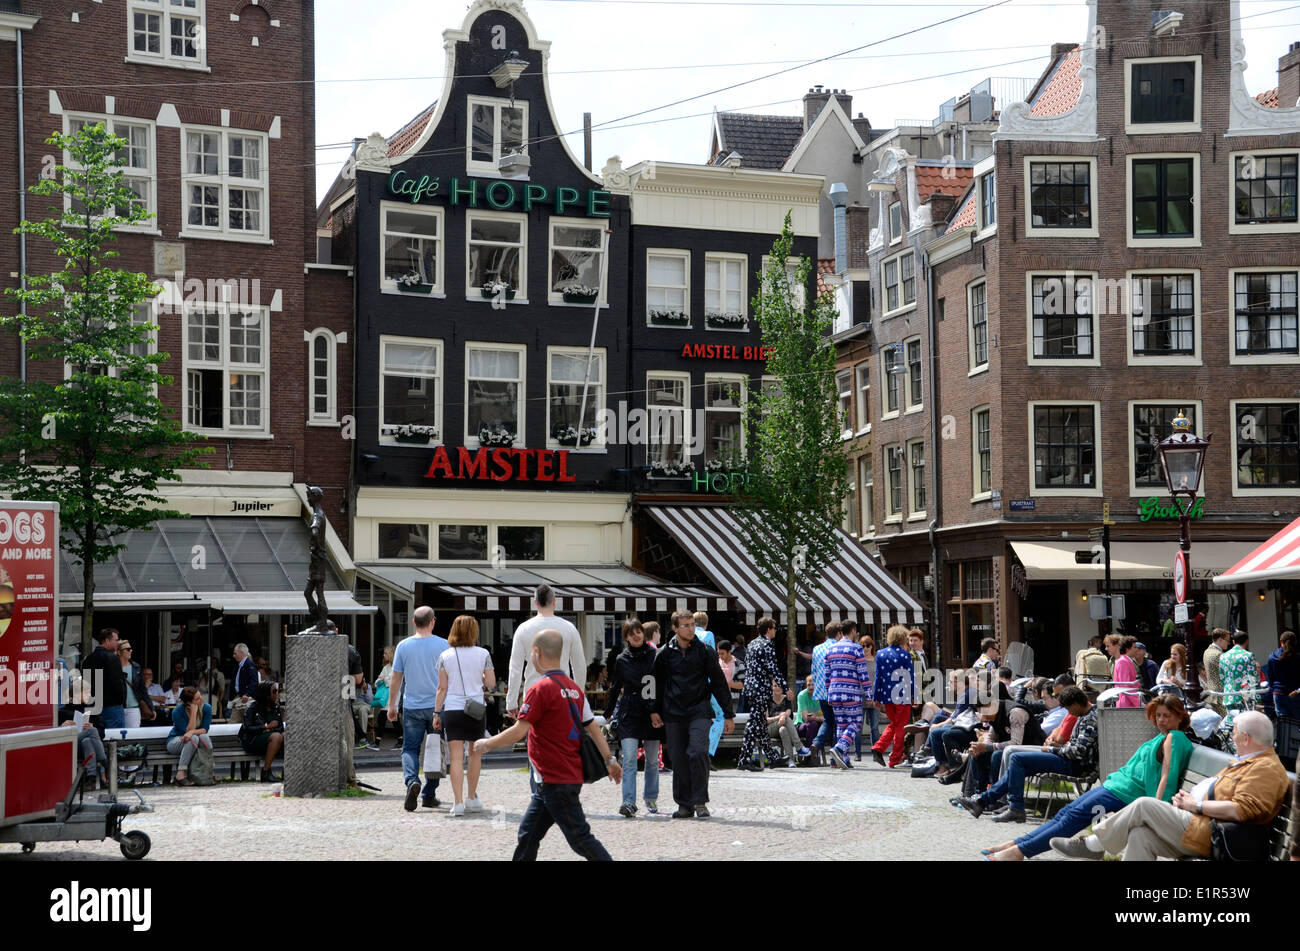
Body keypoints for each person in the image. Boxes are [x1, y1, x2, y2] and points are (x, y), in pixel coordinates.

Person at [1051, 711, 1290, 861]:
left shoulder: (1266, 769)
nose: (1233, 740)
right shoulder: (1251, 762)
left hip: (1214, 834)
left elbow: (1242, 810)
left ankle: (1094, 845)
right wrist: (1189, 800)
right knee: (1140, 835)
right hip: (1199, 823)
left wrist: (1195, 804)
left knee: (1144, 805)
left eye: (1235, 735)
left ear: (1246, 738)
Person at [982, 694, 1194, 861]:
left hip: (1125, 792)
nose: (1161, 720)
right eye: (1158, 715)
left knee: (1072, 818)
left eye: (1167, 715)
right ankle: (1017, 844)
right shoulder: (1164, 736)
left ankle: (1020, 851)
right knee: (1067, 813)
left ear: (1179, 716)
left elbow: (1168, 774)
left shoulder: (1174, 737)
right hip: (1117, 787)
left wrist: (1156, 806)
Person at [475, 629, 621, 861]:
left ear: (535, 654)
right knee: (528, 834)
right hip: (556, 780)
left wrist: (487, 744)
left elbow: (519, 731)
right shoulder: (574, 688)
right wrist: (610, 760)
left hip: (557, 779)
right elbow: (592, 726)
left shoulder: (539, 688)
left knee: (581, 839)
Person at [957, 686, 1097, 823]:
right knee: (1019, 764)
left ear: (1076, 704)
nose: (1069, 712)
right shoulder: (1084, 715)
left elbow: (1078, 752)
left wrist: (1054, 750)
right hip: (1065, 757)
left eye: (1068, 708)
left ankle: (1014, 807)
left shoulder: (1090, 719)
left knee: (1017, 758)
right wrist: (1057, 747)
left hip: (1075, 765)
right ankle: (983, 801)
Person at [649, 610, 734, 816]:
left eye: (692, 624)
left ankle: (700, 802)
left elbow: (719, 683)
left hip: (699, 711)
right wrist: (653, 710)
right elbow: (654, 684)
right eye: (685, 625)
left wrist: (728, 713)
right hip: (673, 712)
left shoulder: (705, 651)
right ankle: (684, 804)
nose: (690, 629)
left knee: (697, 752)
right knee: (678, 759)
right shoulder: (664, 654)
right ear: (675, 628)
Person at [387, 605, 450, 811]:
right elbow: (449, 677)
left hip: (412, 706)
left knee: (410, 748)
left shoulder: (403, 646)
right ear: (433, 621)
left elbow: (396, 679)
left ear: (413, 622)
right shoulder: (443, 645)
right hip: (436, 707)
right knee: (435, 751)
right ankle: (429, 794)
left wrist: (392, 705)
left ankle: (412, 780)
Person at [433, 615, 495, 816]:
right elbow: (491, 684)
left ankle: (457, 803)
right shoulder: (483, 654)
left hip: (452, 708)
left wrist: (436, 712)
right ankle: (471, 797)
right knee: (476, 754)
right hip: (476, 708)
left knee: (456, 758)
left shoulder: (444, 656)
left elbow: (442, 688)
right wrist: (481, 677)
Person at [605, 619, 662, 817]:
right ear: (626, 637)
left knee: (652, 759)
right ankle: (628, 802)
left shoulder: (655, 656)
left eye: (638, 631)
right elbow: (614, 687)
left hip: (651, 712)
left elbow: (659, 685)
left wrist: (658, 710)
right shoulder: (622, 659)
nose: (636, 635)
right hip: (629, 712)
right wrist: (607, 713)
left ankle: (651, 797)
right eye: (631, 633)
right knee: (629, 758)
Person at [506, 584, 586, 717]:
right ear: (554, 602)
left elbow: (515, 668)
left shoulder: (523, 629)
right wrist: (579, 696)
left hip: (533, 693)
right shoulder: (569, 628)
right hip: (562, 693)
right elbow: (579, 666)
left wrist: (511, 701)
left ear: (535, 603)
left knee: (534, 735)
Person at [737, 616, 786, 771]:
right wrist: (785, 687)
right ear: (768, 629)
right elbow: (773, 668)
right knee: (754, 724)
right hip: (761, 689)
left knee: (760, 723)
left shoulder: (752, 643)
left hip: (750, 687)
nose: (776, 630)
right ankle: (744, 760)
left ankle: (772, 757)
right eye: (774, 628)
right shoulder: (767, 644)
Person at [825, 621, 869, 769]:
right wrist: (869, 695)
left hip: (834, 691)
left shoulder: (830, 649)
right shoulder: (856, 649)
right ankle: (839, 748)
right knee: (856, 723)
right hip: (851, 693)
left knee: (842, 724)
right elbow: (863, 674)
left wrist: (828, 695)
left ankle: (843, 759)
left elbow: (827, 675)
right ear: (853, 630)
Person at [872, 625, 917, 768]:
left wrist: (876, 697)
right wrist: (914, 696)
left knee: (894, 724)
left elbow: (878, 677)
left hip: (886, 695)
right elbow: (910, 678)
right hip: (902, 695)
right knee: (900, 727)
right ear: (903, 638)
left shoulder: (880, 654)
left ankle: (878, 748)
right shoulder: (905, 655)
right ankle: (894, 758)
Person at [692, 611, 726, 763]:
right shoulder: (708, 635)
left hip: (690, 685)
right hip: (707, 685)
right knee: (720, 716)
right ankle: (708, 752)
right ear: (706, 623)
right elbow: (712, 660)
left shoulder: (688, 636)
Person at [60, 680, 108, 786]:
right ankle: (104, 762)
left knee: (88, 740)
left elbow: (102, 733)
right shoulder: (63, 711)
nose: (90, 695)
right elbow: (53, 734)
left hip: (84, 747)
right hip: (70, 747)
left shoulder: (92, 711)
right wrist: (62, 727)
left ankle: (90, 778)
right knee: (92, 731)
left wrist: (93, 726)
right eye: (86, 692)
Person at [239, 681, 285, 782]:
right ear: (266, 694)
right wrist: (266, 727)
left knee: (285, 735)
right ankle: (266, 771)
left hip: (270, 740)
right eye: (274, 691)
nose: (277, 694)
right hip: (253, 740)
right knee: (277, 736)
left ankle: (287, 770)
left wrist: (269, 730)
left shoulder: (276, 707)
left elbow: (280, 727)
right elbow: (247, 728)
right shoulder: (253, 707)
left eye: (277, 691)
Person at [167, 686, 212, 786]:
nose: (201, 700)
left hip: (192, 739)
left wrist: (192, 732)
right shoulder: (177, 712)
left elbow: (204, 729)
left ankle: (207, 772)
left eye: (200, 696)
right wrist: (194, 712)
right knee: (193, 738)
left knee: (204, 737)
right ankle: (180, 774)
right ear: (189, 702)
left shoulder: (207, 708)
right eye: (197, 699)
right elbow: (186, 733)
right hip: (176, 741)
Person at [84, 628, 126, 731]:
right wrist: (121, 700)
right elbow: (117, 682)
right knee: (114, 739)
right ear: (107, 640)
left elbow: (86, 684)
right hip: (112, 707)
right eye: (116, 640)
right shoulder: (112, 658)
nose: (118, 643)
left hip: (93, 708)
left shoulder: (88, 660)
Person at [1220, 630, 1262, 722]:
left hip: (1229, 695)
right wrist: (1258, 699)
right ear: (1247, 641)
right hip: (1244, 697)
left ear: (1233, 642)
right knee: (1246, 726)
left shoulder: (1223, 656)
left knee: (1232, 725)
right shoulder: (1248, 656)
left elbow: (1222, 678)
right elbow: (1252, 679)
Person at [809, 623, 837, 759]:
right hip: (835, 691)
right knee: (838, 722)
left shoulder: (817, 649)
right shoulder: (837, 648)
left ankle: (817, 743)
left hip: (820, 691)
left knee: (828, 720)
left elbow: (813, 672)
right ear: (838, 634)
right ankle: (836, 755)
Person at [766, 681, 808, 766]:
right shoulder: (767, 700)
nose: (778, 687)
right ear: (772, 688)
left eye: (780, 685)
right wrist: (779, 717)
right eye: (775, 686)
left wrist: (783, 716)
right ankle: (799, 747)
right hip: (771, 728)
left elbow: (788, 712)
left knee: (783, 730)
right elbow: (766, 720)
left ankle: (790, 760)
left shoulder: (786, 699)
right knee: (787, 719)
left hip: (783, 726)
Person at [1267, 630, 1300, 720]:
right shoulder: (1297, 658)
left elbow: (1271, 679)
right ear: (1295, 642)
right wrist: (1297, 691)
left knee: (1284, 726)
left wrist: (1274, 691)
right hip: (1295, 694)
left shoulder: (1272, 657)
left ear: (1281, 641)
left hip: (1279, 694)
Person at [119, 640, 152, 728]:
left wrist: (150, 707)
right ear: (119, 652)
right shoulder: (114, 666)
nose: (131, 651)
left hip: (134, 708)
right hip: (118, 708)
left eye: (131, 649)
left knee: (133, 736)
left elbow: (142, 689)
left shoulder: (135, 667)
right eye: (128, 649)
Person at [1202, 627, 1231, 716]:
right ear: (1219, 639)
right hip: (1220, 693)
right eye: (1227, 640)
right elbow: (1228, 673)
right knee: (1225, 721)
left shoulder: (1207, 651)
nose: (1229, 643)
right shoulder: (1218, 655)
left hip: (1212, 691)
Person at [373, 644, 397, 747]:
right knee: (390, 719)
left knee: (384, 718)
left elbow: (391, 682)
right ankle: (400, 740)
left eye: (385, 653)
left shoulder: (396, 667)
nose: (383, 655)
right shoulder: (386, 667)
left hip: (393, 697)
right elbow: (379, 679)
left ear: (391, 655)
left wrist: (384, 678)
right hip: (387, 698)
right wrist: (378, 681)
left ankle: (377, 743)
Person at [794, 674, 823, 752]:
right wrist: (818, 718)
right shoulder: (802, 695)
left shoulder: (822, 696)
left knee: (827, 726)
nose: (811, 687)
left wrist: (816, 718)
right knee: (813, 724)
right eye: (808, 685)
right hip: (801, 726)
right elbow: (806, 718)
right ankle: (809, 753)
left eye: (813, 685)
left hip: (817, 724)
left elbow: (826, 718)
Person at [230, 643, 258, 722]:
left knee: (247, 721)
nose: (233, 656)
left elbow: (254, 682)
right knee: (234, 721)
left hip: (246, 699)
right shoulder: (238, 666)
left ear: (241, 653)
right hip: (238, 698)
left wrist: (247, 694)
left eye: (235, 653)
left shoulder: (250, 665)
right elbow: (234, 682)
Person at [1113, 635, 1142, 708]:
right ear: (1127, 649)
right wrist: (1138, 703)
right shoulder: (1123, 662)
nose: (1137, 649)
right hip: (1126, 703)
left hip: (1130, 701)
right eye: (1134, 647)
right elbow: (1125, 685)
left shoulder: (1127, 660)